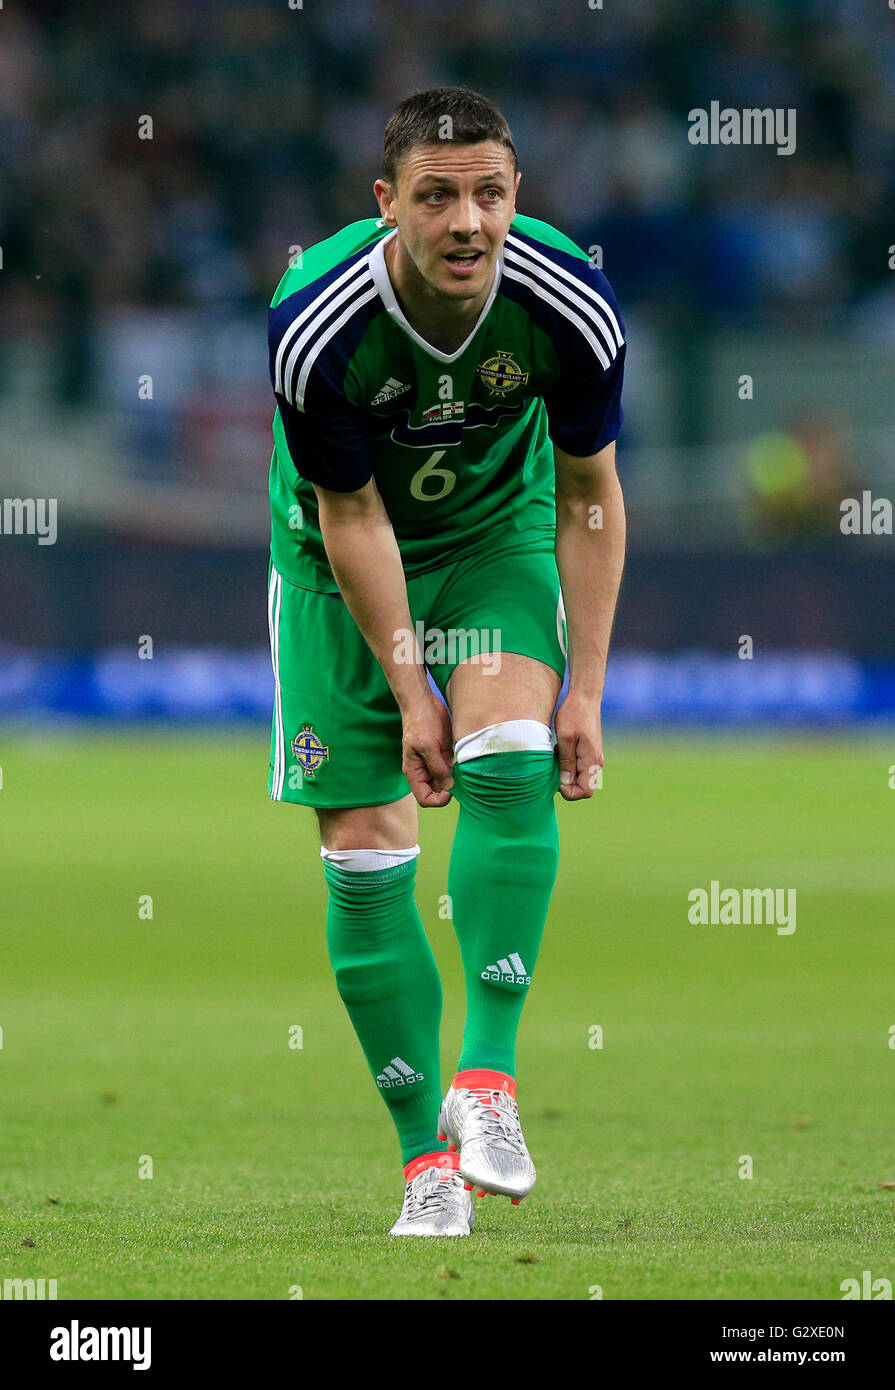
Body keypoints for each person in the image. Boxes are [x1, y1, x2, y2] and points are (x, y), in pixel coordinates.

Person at [266, 86, 626, 1236]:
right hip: (340, 565)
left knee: (513, 743)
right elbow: (353, 513)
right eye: (437, 197)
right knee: (369, 854)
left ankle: (488, 1079)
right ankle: (426, 1161)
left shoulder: (569, 303)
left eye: (489, 194)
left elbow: (588, 495)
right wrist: (410, 683)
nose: (468, 222)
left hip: (493, 536)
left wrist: (589, 691)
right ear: (389, 205)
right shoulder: (317, 323)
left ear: (516, 196)